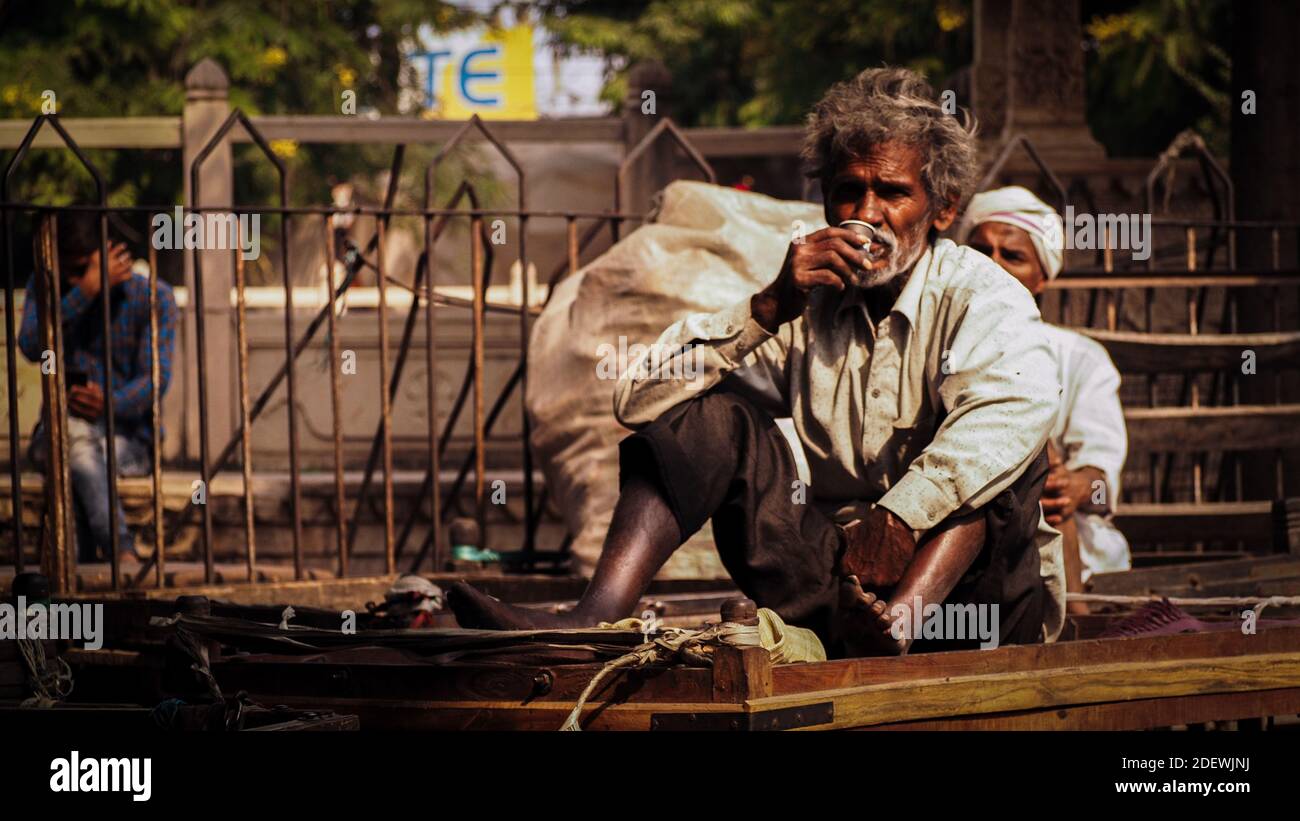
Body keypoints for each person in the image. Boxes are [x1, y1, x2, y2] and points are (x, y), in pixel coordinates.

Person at [449, 67, 1065, 656]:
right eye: (849, 190)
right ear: (825, 200)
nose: (868, 214)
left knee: (1005, 459)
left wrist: (903, 516)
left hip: (970, 610)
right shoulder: (803, 298)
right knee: (714, 421)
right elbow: (636, 400)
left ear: (944, 209)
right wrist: (768, 306)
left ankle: (899, 626)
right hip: (838, 590)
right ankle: (595, 616)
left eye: (894, 193)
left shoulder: (982, 295)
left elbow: (1016, 408)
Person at [956, 186, 1131, 611]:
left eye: (1012, 256)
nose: (992, 265)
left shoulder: (1080, 359)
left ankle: (1072, 623)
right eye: (980, 251)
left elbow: (1102, 480)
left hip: (1061, 535)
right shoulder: (940, 348)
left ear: (1042, 278)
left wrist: (1072, 487)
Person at [18, 212, 179, 563]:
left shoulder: (153, 297)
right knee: (75, 441)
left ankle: (78, 568)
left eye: (82, 270)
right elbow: (30, 344)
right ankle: (120, 551)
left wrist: (108, 403)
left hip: (128, 441)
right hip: (54, 434)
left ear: (109, 252)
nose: (73, 280)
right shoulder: (48, 286)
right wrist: (84, 292)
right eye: (69, 272)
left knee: (78, 453)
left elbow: (154, 382)